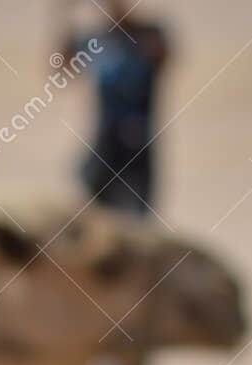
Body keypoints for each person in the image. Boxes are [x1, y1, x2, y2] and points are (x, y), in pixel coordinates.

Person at [59, 0, 171, 214]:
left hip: (138, 142)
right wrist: (65, 15)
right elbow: (61, 67)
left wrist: (129, 24)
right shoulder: (96, 40)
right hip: (104, 142)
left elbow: (163, 57)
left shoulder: (150, 34)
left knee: (138, 220)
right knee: (95, 217)